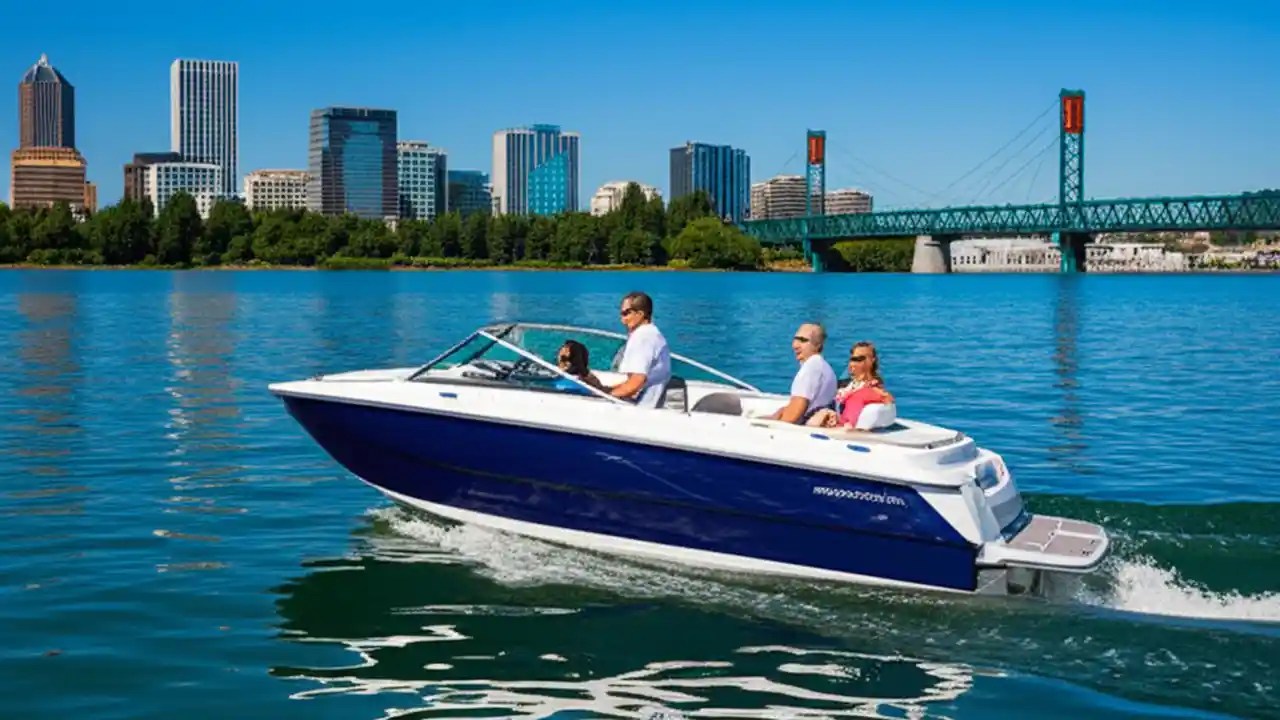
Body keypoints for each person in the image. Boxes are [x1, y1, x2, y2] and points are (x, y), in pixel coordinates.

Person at [607, 291, 672, 407]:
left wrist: (607, 397)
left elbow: (636, 382)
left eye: (626, 313)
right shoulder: (653, 333)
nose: (622, 320)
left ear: (640, 314)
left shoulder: (642, 338)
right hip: (651, 398)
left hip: (643, 408)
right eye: (621, 313)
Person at [809, 341, 894, 429]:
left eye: (860, 359)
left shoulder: (872, 388)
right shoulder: (845, 382)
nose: (855, 363)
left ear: (872, 360)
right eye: (853, 359)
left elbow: (885, 397)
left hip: (841, 424)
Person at [768, 322, 838, 424]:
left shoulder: (811, 368)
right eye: (795, 339)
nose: (795, 345)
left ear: (817, 346)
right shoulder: (825, 367)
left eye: (803, 340)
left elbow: (792, 417)